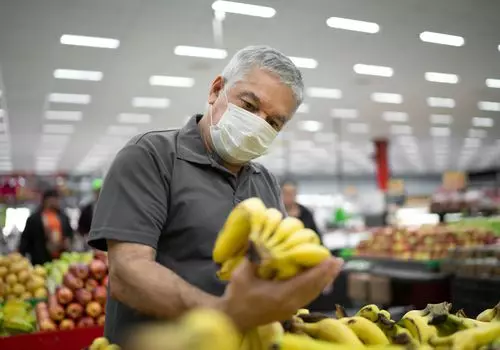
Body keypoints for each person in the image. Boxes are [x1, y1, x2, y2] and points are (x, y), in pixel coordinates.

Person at [87, 46, 343, 345]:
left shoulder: (265, 182)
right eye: (249, 106)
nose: (258, 124)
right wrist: (223, 313)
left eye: (273, 122)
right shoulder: (150, 156)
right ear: (216, 90)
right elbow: (128, 273)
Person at [19, 189, 73, 265]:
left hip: (61, 259)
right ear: (45, 201)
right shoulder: (34, 219)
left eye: (57, 199)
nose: (55, 202)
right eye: (53, 200)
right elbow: (25, 239)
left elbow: (69, 234)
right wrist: (22, 256)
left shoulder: (63, 217)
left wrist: (68, 242)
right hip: (40, 259)